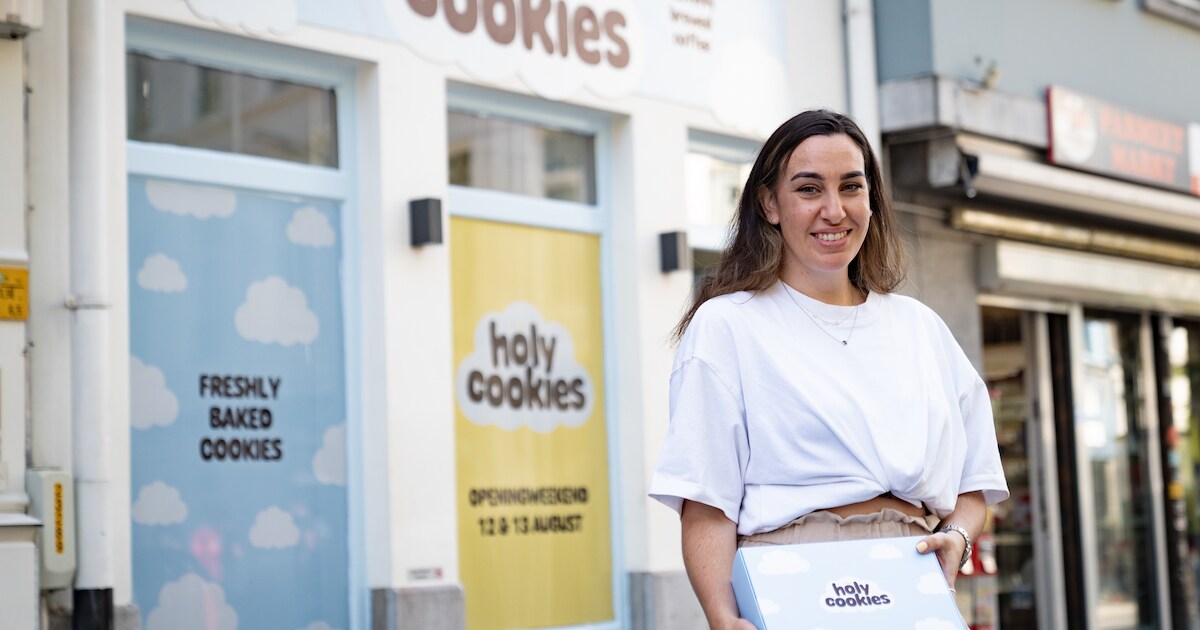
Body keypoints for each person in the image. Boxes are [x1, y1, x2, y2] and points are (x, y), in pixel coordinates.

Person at [648, 109, 1008, 629]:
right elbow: (706, 502)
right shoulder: (728, 326)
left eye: (851, 187)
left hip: (912, 585)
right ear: (770, 204)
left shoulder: (919, 327)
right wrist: (723, 618)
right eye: (809, 189)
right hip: (793, 587)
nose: (834, 210)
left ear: (871, 199)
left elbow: (976, 478)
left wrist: (959, 538)